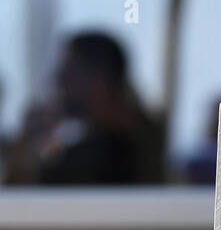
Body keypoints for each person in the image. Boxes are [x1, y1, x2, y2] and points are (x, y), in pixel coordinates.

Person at [5, 32, 162, 185]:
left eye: (69, 70)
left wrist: (27, 143)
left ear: (100, 80)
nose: (59, 81)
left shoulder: (122, 152)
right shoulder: (147, 139)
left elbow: (19, 196)